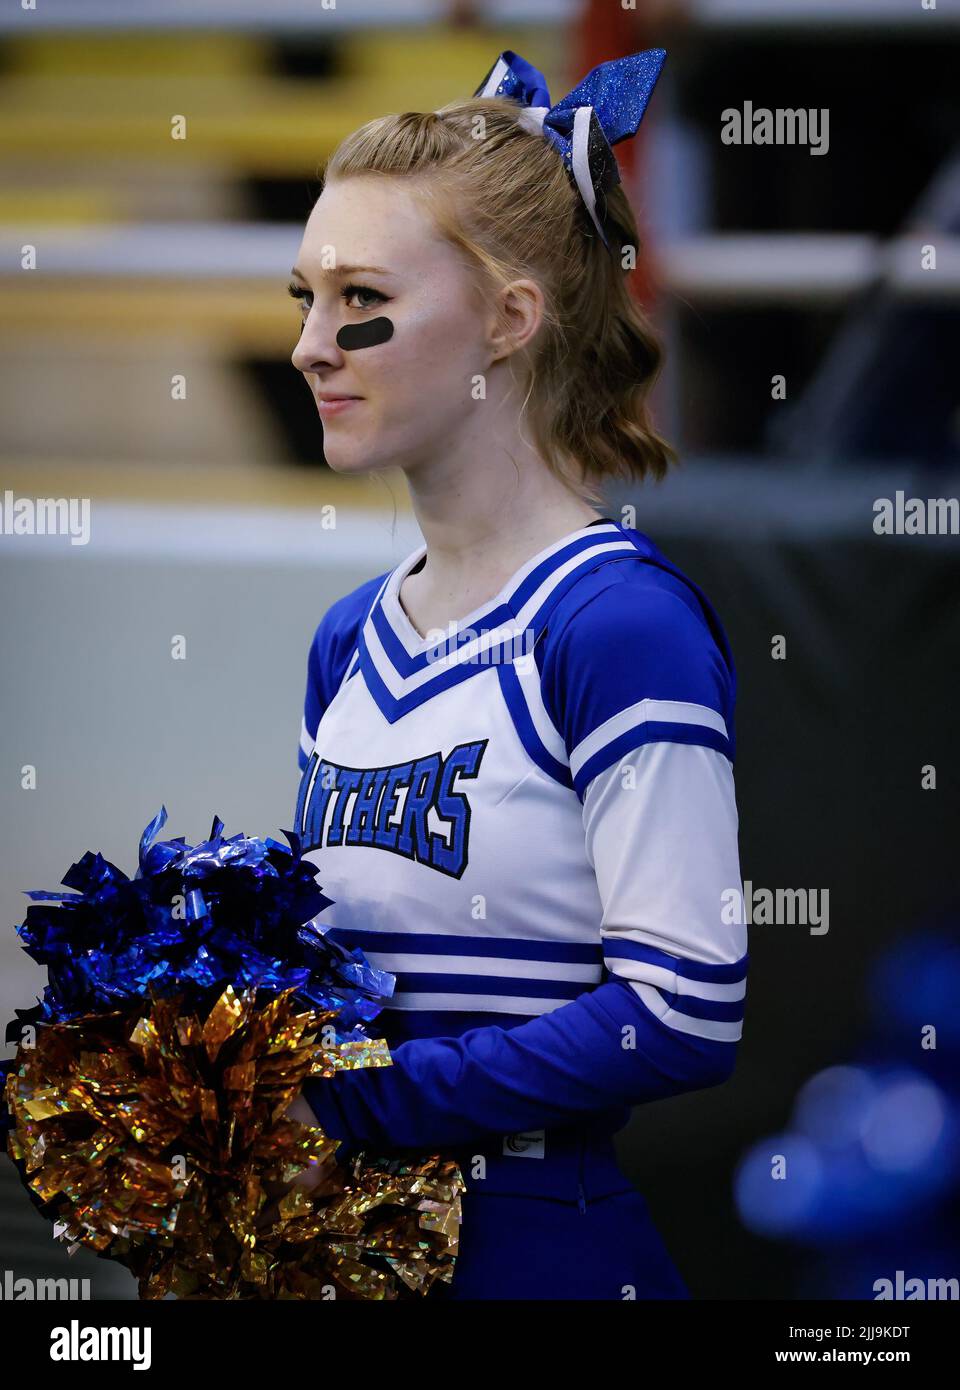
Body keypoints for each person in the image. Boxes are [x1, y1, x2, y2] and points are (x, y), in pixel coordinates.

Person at [284, 49, 747, 1300]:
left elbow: (687, 1005)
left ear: (511, 317)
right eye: (304, 299)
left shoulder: (616, 625)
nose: (311, 347)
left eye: (361, 297)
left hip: (537, 1244)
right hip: (345, 1252)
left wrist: (370, 1103)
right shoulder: (347, 638)